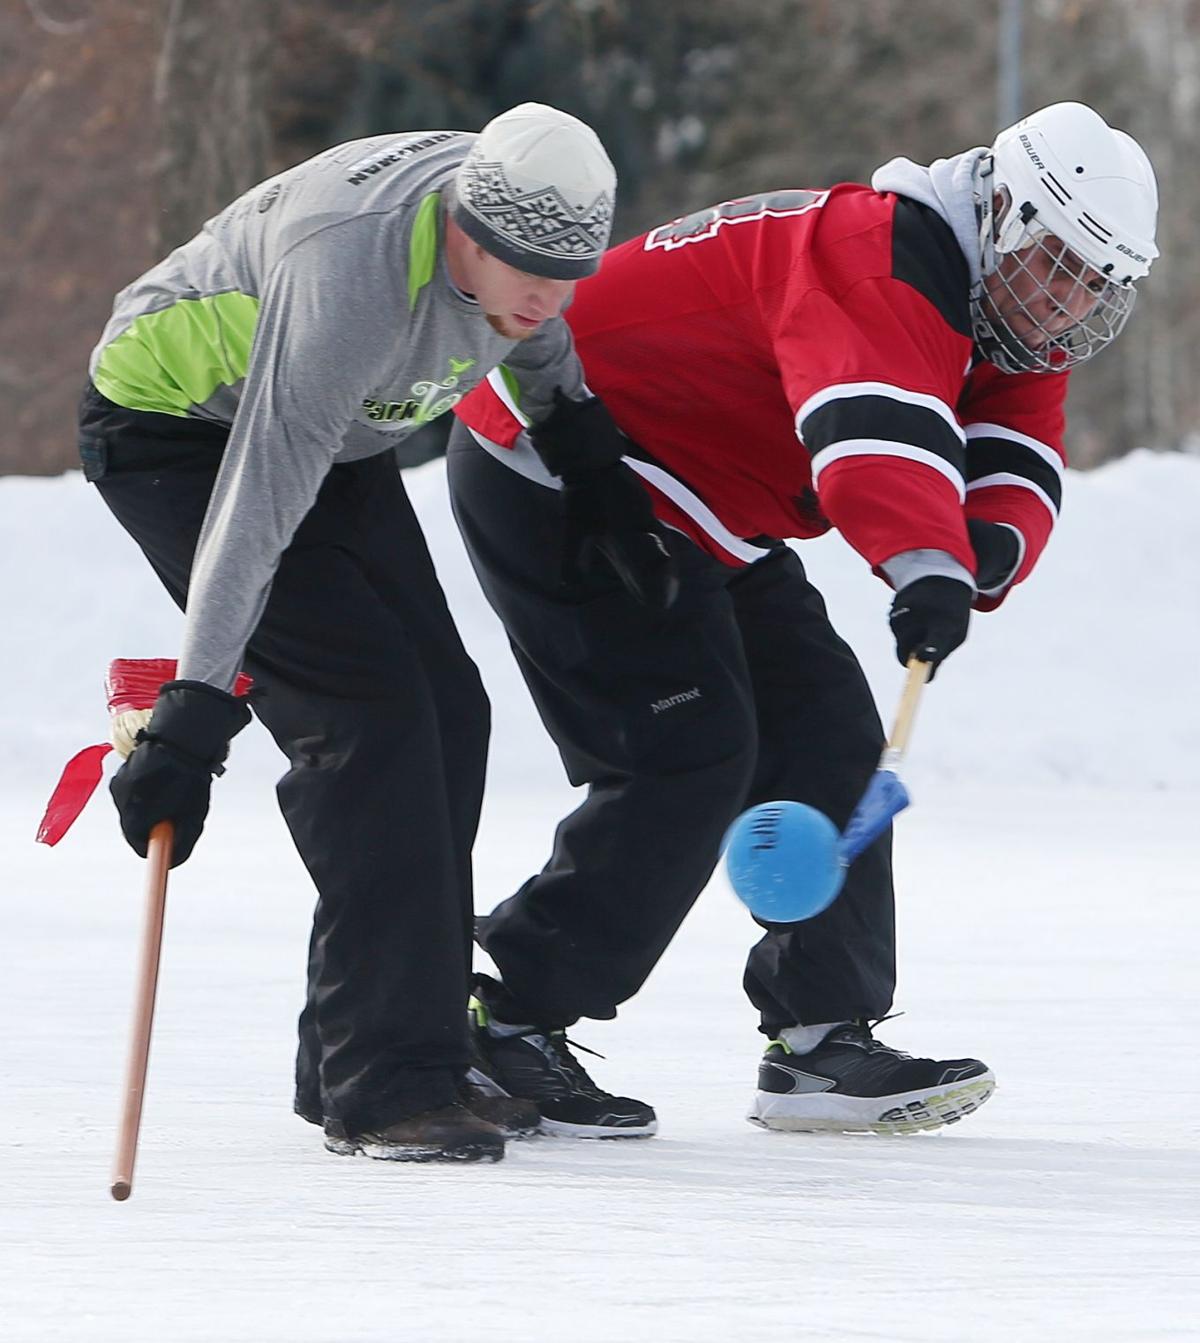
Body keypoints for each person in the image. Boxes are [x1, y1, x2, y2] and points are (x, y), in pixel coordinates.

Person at [447, 102, 1159, 1135]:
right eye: (1059, 264)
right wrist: (926, 564)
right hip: (566, 470)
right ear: (1003, 210)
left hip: (704, 507)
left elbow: (1015, 431)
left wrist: (985, 548)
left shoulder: (1003, 300)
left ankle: (822, 1040)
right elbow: (869, 425)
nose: (1066, 301)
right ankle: (502, 1015)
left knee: (829, 734)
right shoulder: (879, 257)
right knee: (689, 752)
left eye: (1095, 282)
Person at [79, 103, 622, 1164]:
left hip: (336, 436)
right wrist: (192, 713)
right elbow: (257, 499)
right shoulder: (350, 281)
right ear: (466, 227)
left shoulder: (523, 236)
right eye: (528, 270)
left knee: (449, 708)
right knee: (367, 718)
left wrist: (582, 441)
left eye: (571, 272)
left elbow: (540, 328)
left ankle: (376, 1042)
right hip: (184, 431)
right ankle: (383, 1081)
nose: (548, 296)